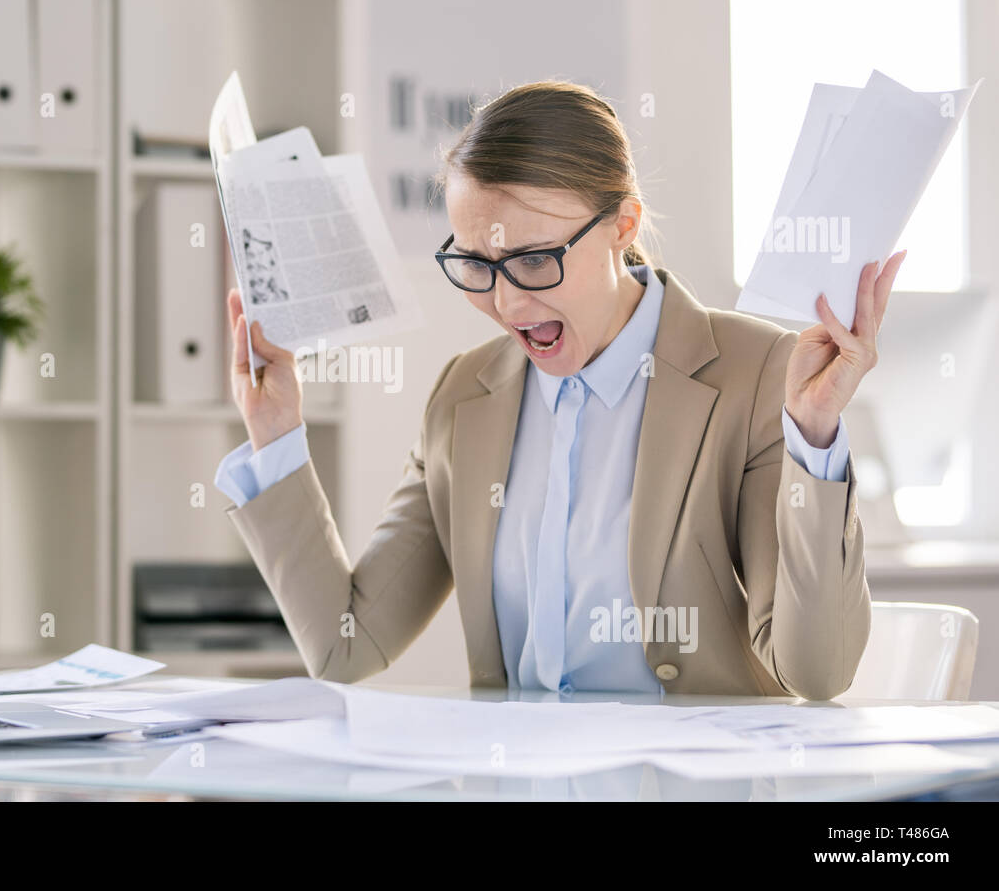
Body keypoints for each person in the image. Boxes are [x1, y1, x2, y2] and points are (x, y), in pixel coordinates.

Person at [213, 80, 905, 700]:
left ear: (621, 226)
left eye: (535, 260)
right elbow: (347, 645)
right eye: (476, 265)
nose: (508, 303)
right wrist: (277, 435)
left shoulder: (755, 375)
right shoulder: (463, 397)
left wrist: (812, 436)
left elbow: (816, 675)